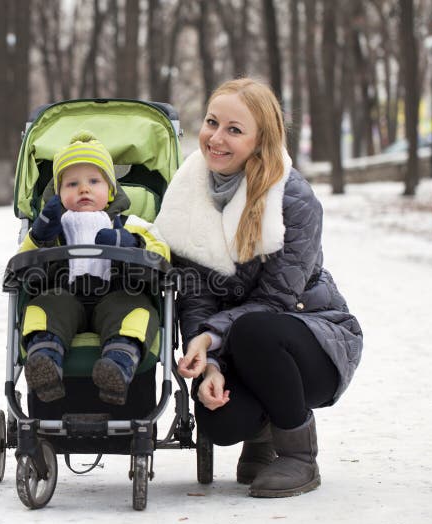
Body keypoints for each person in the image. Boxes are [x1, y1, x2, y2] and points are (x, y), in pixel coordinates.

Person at [154, 78, 363, 498]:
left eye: (234, 129)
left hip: (310, 337)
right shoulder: (188, 195)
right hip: (237, 343)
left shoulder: (293, 198)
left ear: (261, 139)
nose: (216, 137)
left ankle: (299, 455)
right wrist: (207, 359)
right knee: (221, 422)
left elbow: (275, 301)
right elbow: (195, 298)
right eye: (213, 122)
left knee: (256, 331)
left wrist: (213, 337)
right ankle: (261, 435)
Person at [18, 130, 170, 405]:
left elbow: (161, 253)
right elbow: (21, 267)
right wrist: (39, 236)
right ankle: (44, 363)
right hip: (63, 296)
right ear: (57, 193)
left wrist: (130, 242)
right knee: (46, 306)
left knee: (134, 310)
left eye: (94, 181)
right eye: (72, 183)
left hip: (119, 294)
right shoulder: (52, 229)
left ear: (111, 190)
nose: (83, 189)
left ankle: (118, 363)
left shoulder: (130, 223)